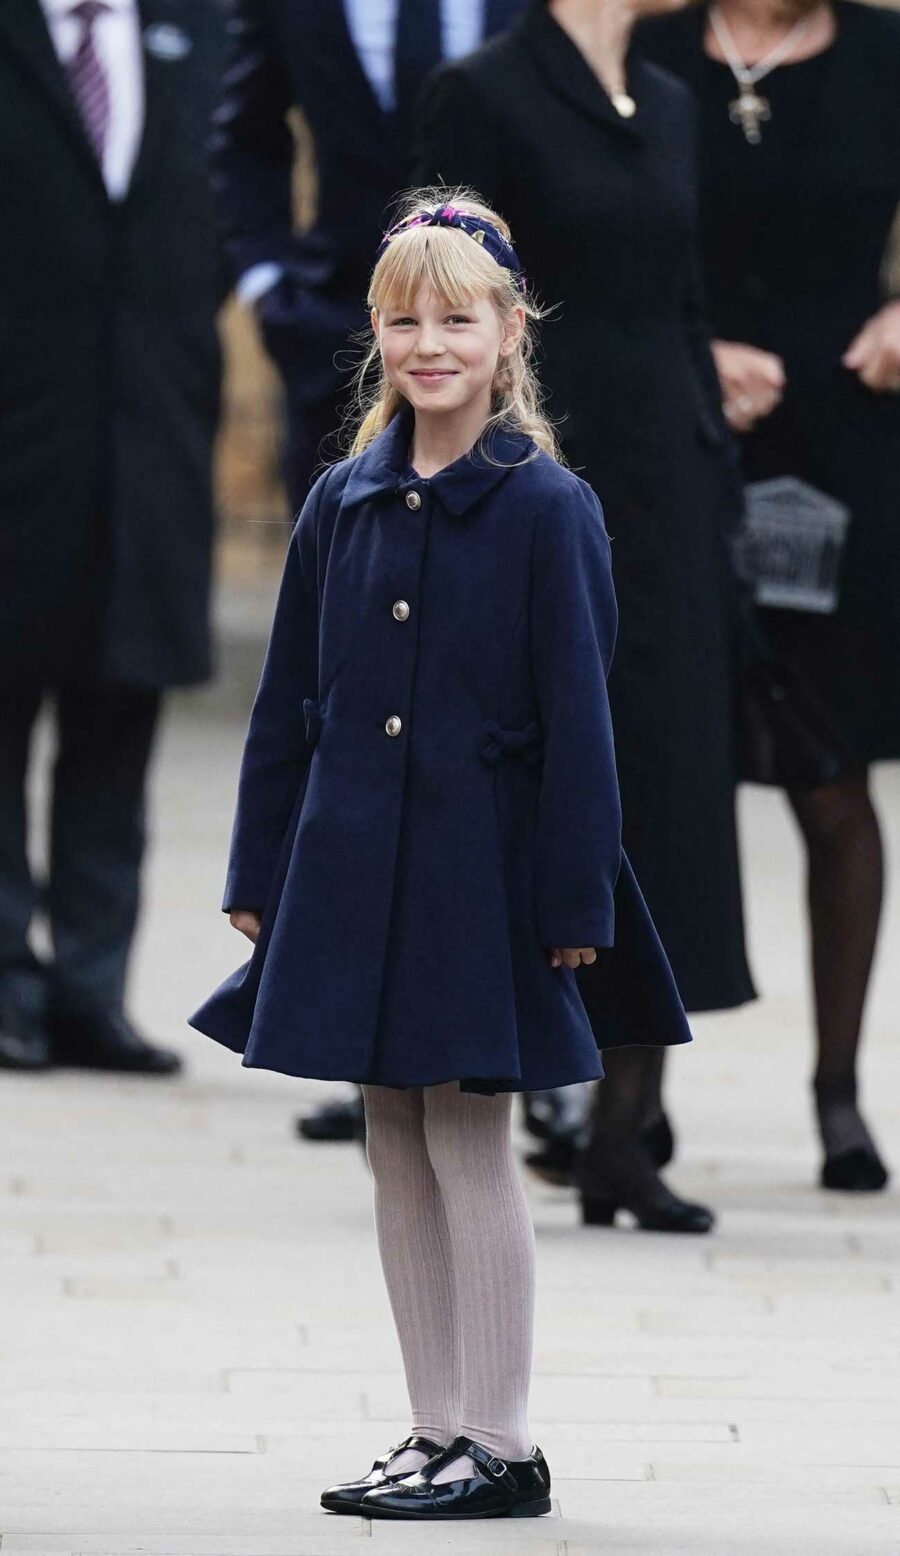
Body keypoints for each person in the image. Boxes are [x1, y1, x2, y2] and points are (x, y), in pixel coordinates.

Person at [190, 190, 692, 1519]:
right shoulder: (342, 502)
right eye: (404, 318)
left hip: (488, 878)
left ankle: (504, 1440)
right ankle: (432, 1427)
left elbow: (584, 721)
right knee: (391, 1136)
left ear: (510, 331)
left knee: (469, 1137)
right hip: (355, 870)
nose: (430, 342)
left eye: (457, 317)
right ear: (375, 331)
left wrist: (576, 893)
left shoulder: (548, 509)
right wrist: (258, 870)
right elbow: (289, 702)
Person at [415, 0, 755, 1231]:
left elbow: (684, 297)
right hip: (531, 487)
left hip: (664, 495)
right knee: (537, 780)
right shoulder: (485, 93)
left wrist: (711, 461)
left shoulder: (667, 100)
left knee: (657, 786)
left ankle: (624, 1129)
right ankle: (504, 1100)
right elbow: (436, 302)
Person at [637, 0, 898, 1193]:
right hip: (673, 438)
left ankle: (838, 1090)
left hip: (845, 444)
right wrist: (691, 354)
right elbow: (589, 240)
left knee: (832, 776)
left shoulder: (889, 54)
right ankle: (627, 1087)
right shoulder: (644, 49)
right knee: (651, 769)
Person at [0, 0, 224, 1074]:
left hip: (152, 447)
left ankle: (90, 992)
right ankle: (4, 984)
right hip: (18, 446)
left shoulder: (199, 30)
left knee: (116, 719)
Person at [211, 0, 524, 513]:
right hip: (333, 343)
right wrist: (268, 287)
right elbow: (246, 141)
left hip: (503, 364)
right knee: (337, 577)